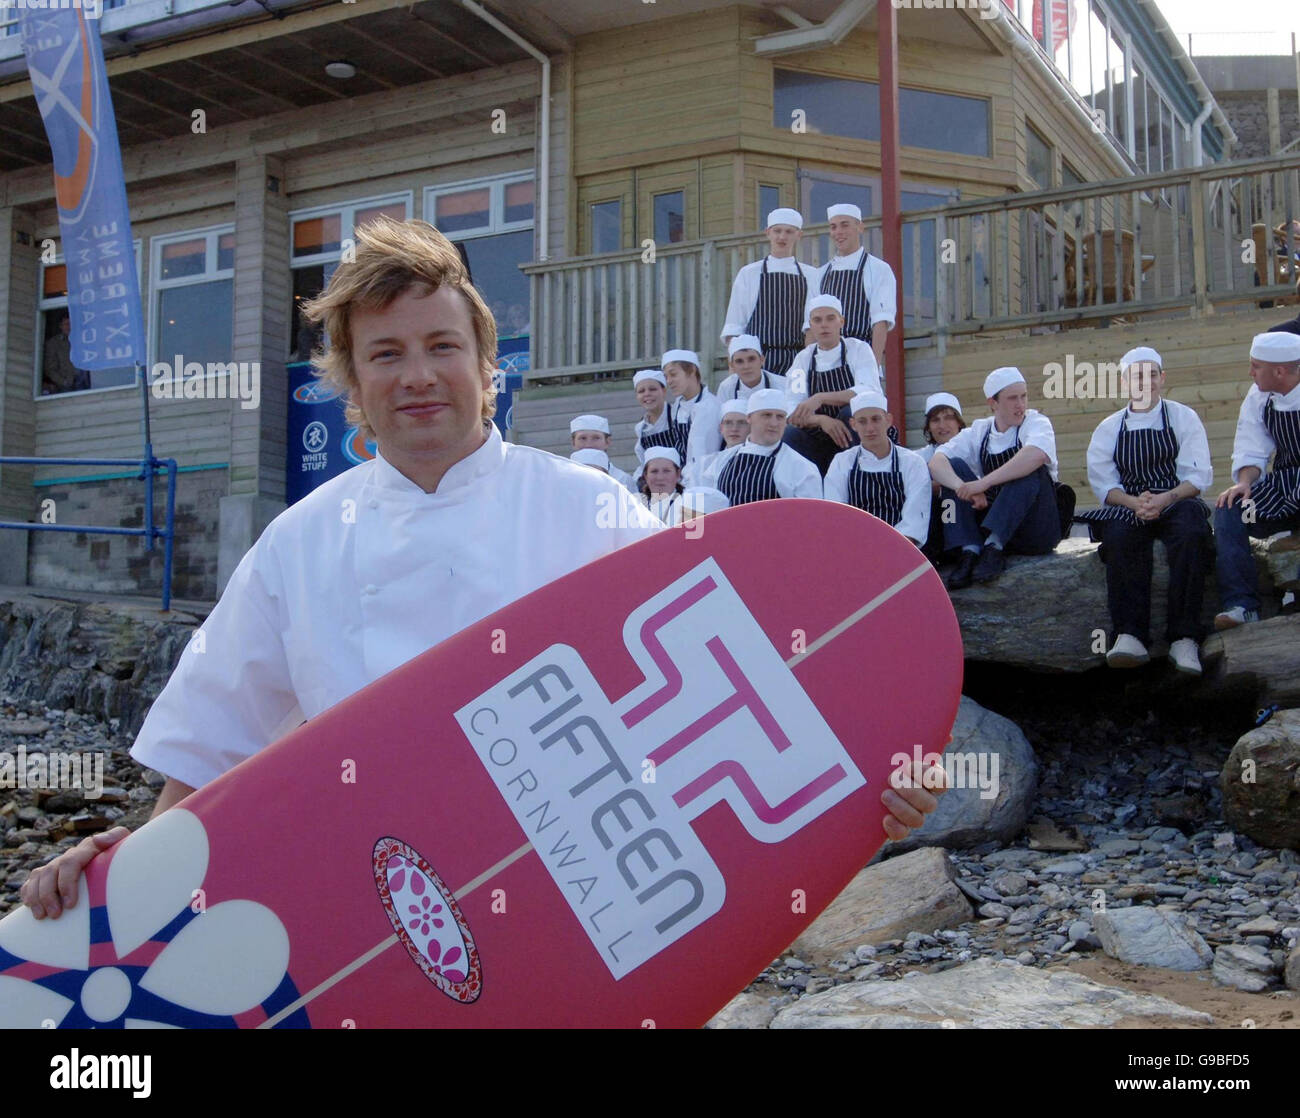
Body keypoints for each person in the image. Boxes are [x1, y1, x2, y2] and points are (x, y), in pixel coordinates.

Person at [21, 217, 943, 921]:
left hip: (583, 900)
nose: (417, 375)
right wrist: (121, 888)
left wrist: (871, 790)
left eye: (441, 347)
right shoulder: (298, 546)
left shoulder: (590, 512)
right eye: (385, 353)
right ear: (349, 378)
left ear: (487, 364)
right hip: (368, 915)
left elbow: (735, 699)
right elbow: (207, 752)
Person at [1076, 347, 1213, 674]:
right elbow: (1104, 484)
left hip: (1176, 499)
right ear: (1125, 382)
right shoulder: (1109, 428)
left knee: (1192, 532)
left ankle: (1184, 639)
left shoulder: (1183, 417)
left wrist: (1165, 499)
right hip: (1129, 504)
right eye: (1138, 375)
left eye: (1152, 374)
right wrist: (1135, 502)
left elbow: (1197, 477)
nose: (1146, 381)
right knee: (1120, 537)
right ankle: (1130, 635)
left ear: (1162, 379)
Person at [929, 367, 1063, 589]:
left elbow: (1036, 454)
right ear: (993, 403)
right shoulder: (980, 431)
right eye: (1012, 398)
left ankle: (994, 545)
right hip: (994, 519)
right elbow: (937, 462)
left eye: (1023, 396)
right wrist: (963, 487)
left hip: (1035, 528)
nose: (1020, 404)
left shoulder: (1036, 423)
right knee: (953, 467)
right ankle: (969, 550)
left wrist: (983, 483)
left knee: (1030, 468)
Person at [1213, 331, 1300, 629]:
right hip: (1285, 489)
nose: (1250, 373)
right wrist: (1245, 483)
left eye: (1255, 366)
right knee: (1231, 508)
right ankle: (1242, 604)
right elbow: (1252, 447)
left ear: (1279, 371)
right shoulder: (1259, 395)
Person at [783, 294, 882, 475]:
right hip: (817, 436)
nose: (824, 325)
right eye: (817, 320)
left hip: (854, 433)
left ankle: (862, 474)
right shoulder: (802, 359)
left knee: (852, 411)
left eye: (830, 318)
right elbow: (792, 407)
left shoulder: (859, 349)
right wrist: (821, 420)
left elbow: (869, 391)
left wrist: (821, 398)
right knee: (789, 434)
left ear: (841, 322)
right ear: (810, 325)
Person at [824, 391, 930, 547]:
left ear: (888, 420)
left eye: (876, 419)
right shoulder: (841, 462)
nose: (870, 428)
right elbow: (835, 514)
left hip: (901, 549)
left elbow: (915, 516)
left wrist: (889, 548)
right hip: (853, 546)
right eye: (862, 421)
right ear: (853, 424)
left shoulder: (912, 462)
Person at [720, 208, 820, 375]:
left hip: (796, 361)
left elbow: (810, 327)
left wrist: (807, 367)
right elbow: (735, 326)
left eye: (789, 231)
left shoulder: (811, 274)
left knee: (794, 401)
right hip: (754, 362)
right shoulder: (749, 273)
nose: (782, 237)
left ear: (798, 235)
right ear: (768, 233)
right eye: (777, 231)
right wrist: (735, 373)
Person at [804, 203, 896, 367]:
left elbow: (880, 321)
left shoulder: (878, 269)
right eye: (833, 227)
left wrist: (872, 365)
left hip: (860, 360)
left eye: (845, 225)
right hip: (825, 363)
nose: (838, 232)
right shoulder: (820, 274)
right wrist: (810, 365)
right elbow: (810, 326)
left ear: (860, 227)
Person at [702, 388, 822, 505]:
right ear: (749, 418)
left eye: (780, 417)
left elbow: (809, 518)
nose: (774, 423)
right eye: (766, 415)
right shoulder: (722, 460)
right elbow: (704, 505)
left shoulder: (802, 468)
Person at [916, 392, 966, 563]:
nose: (942, 425)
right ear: (928, 426)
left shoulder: (973, 447)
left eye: (948, 418)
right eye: (935, 420)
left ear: (959, 422)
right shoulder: (920, 457)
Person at [662, 348, 723, 472]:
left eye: (673, 374)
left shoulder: (709, 406)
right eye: (666, 376)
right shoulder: (678, 404)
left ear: (692, 371)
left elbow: (703, 455)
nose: (669, 381)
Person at [683, 399, 748, 487]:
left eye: (741, 423)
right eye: (728, 423)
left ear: (751, 428)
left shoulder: (755, 460)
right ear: (721, 428)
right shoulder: (706, 463)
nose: (734, 428)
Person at [715, 335, 788, 403]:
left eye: (751, 359)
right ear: (732, 365)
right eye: (739, 361)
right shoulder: (726, 388)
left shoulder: (783, 385)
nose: (746, 366)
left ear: (762, 360)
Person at [570, 413, 633, 490]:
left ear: (608, 442)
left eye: (596, 438)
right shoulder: (563, 478)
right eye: (583, 438)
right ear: (573, 442)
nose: (589, 444)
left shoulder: (623, 480)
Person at [41, 312, 90, 395]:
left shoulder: (84, 338)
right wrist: (63, 382)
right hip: (66, 386)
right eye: (66, 324)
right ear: (61, 326)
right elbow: (50, 368)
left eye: (71, 324)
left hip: (85, 382)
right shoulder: (54, 343)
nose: (69, 327)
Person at [632, 368, 674, 466]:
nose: (647, 394)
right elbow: (644, 463)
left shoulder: (678, 417)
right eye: (641, 391)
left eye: (652, 389)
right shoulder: (641, 428)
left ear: (664, 391)